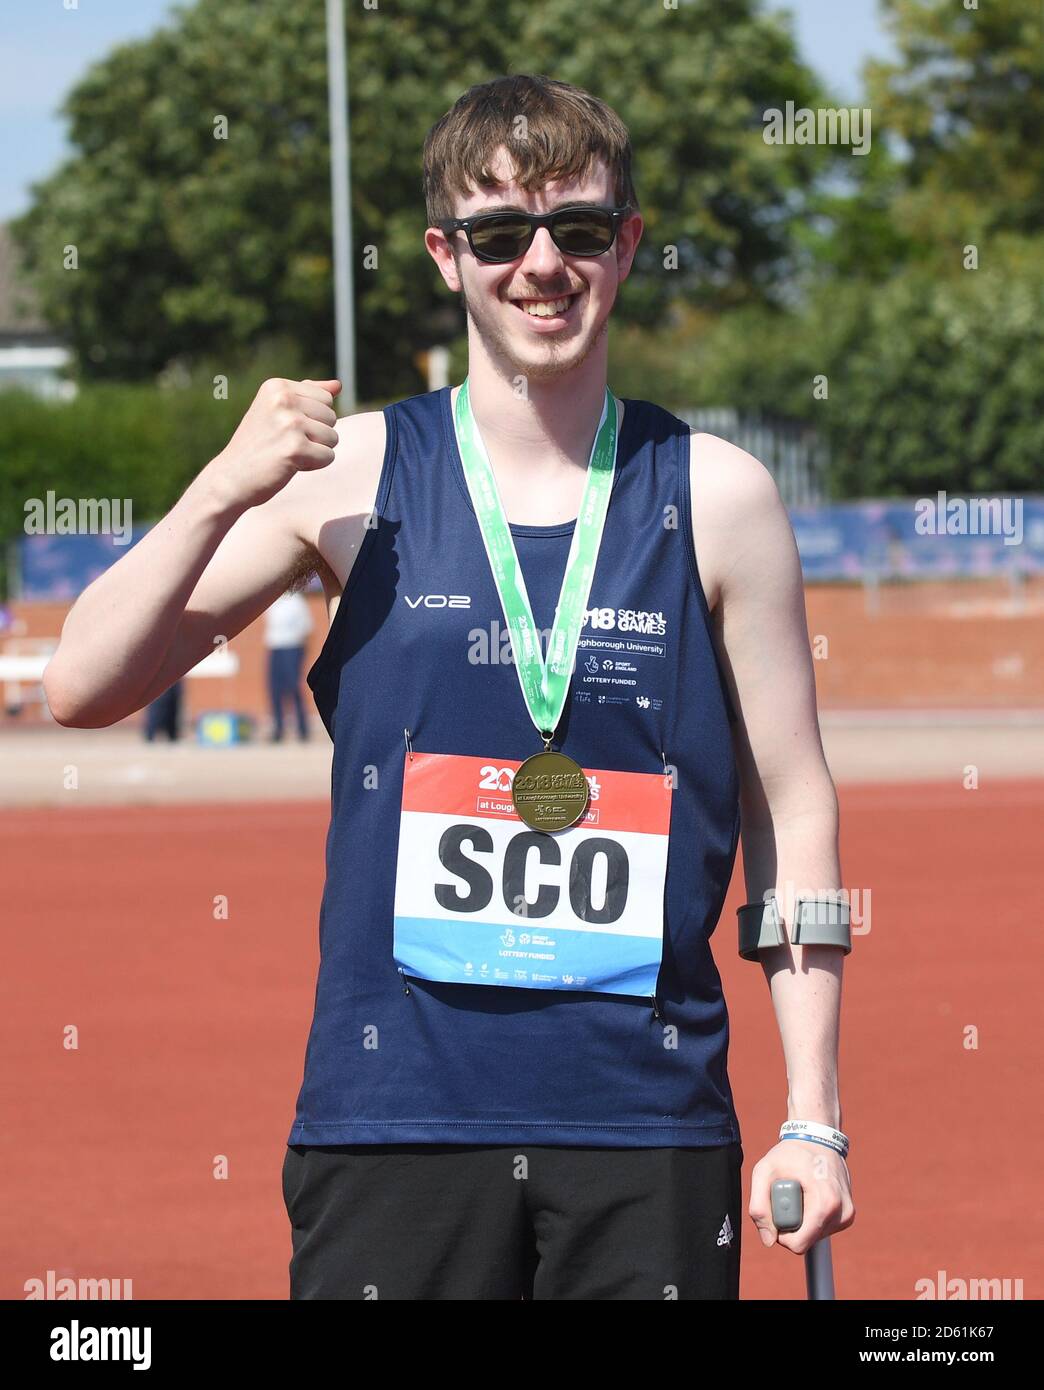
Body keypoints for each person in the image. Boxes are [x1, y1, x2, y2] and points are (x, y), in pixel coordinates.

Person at [43, 74, 854, 1300]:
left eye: (580, 229)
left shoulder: (718, 492)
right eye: (498, 235)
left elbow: (791, 805)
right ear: (444, 255)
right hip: (393, 1124)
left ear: (627, 245)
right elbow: (82, 686)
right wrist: (220, 485)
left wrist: (816, 1114)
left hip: (646, 1129)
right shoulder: (347, 475)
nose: (542, 264)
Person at [263, 590, 313, 741]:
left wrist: (300, 654)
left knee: (294, 687)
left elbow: (307, 628)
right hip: (274, 647)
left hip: (292, 646)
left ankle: (302, 728)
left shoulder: (297, 602)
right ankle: (278, 728)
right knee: (275, 688)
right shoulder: (272, 602)